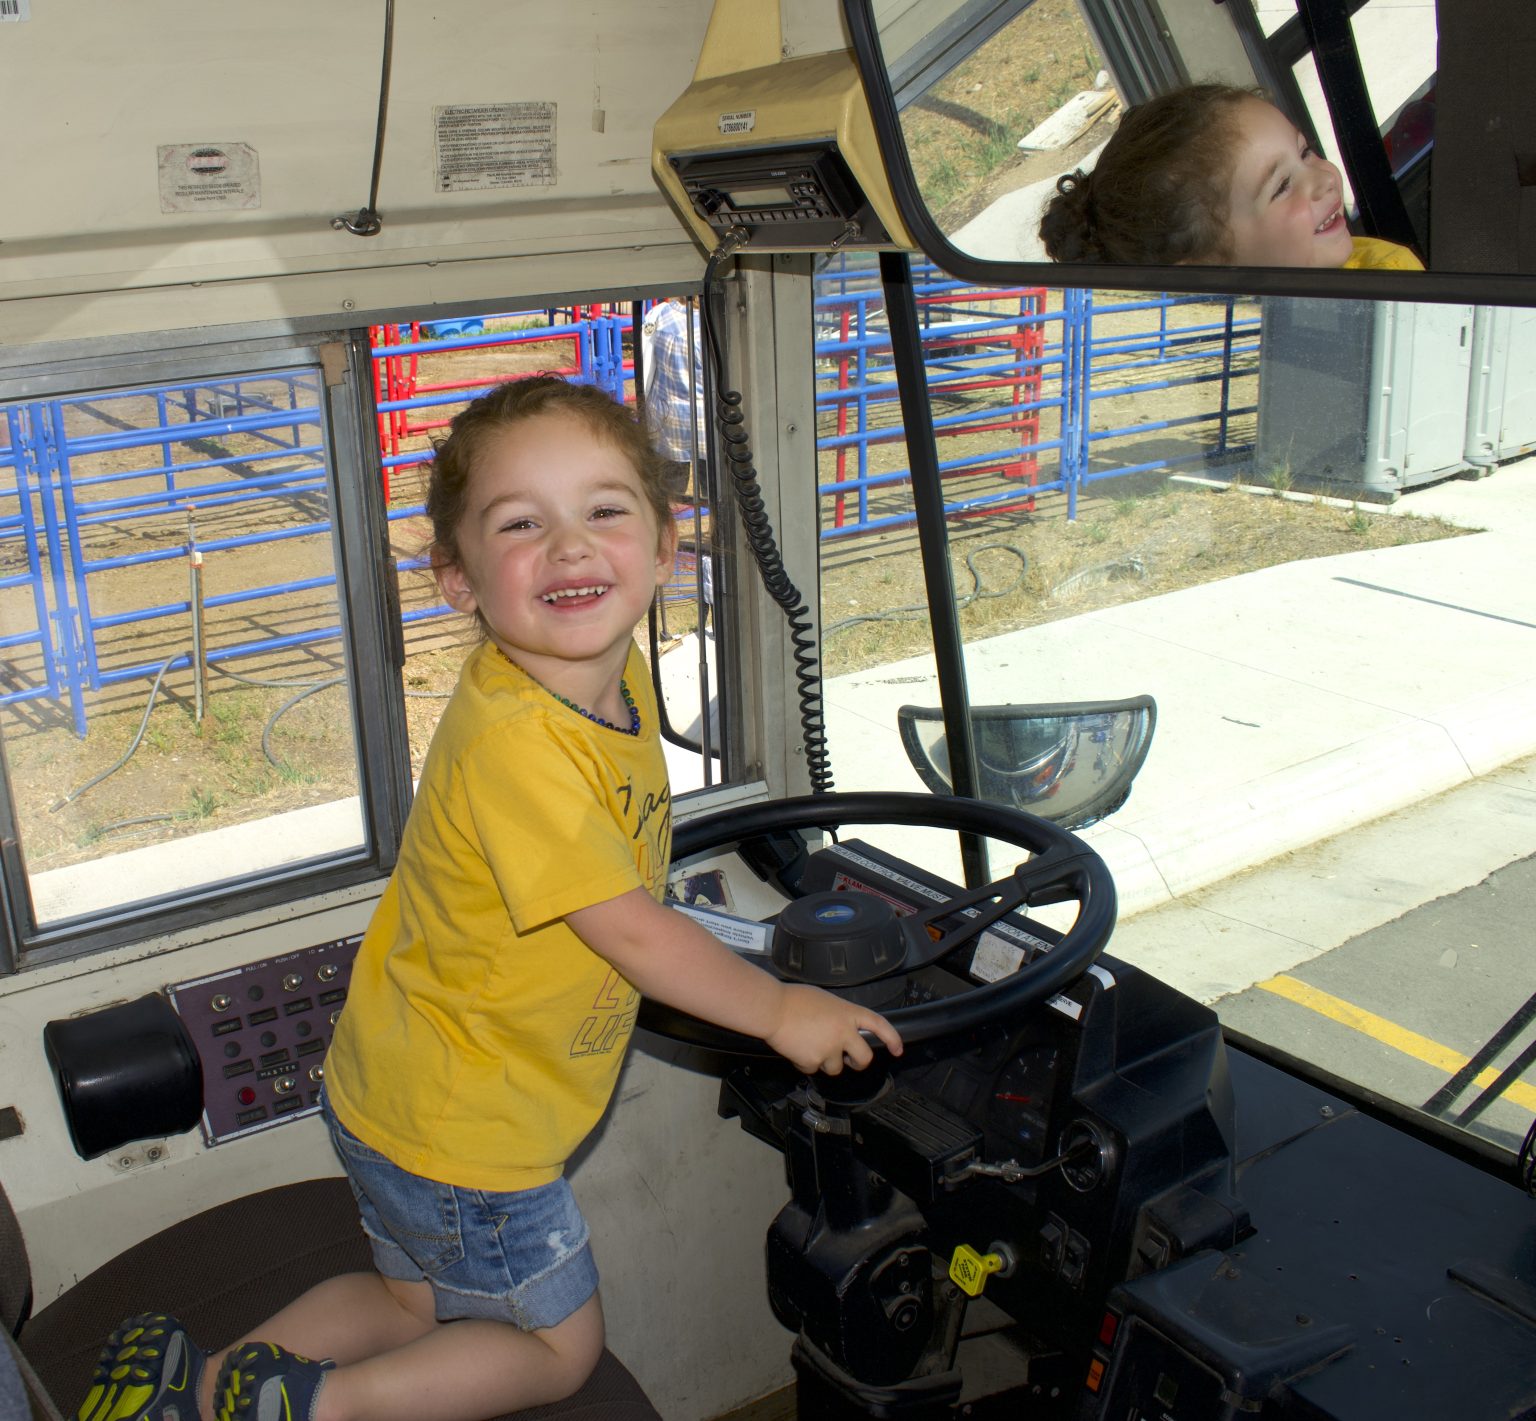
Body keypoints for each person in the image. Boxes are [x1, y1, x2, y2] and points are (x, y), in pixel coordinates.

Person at [76, 376, 902, 1421]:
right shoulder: (519, 744)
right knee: (554, 1346)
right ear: (458, 577)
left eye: (605, 509)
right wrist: (781, 1009)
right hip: (466, 1133)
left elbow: (619, 863)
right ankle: (310, 1409)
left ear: (664, 549)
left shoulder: (602, 680)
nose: (569, 545)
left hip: (402, 1095)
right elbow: (633, 931)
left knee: (408, 1298)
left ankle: (186, 1392)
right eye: (522, 523)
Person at [1038, 83, 1424, 271]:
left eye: (1305, 151)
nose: (1325, 178)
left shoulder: (1389, 272)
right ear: (1206, 274)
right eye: (1283, 187)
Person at [640, 297, 706, 503]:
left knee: (669, 493)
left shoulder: (659, 315)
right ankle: (719, 530)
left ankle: (669, 530)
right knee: (715, 488)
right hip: (706, 420)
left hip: (667, 418)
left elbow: (646, 363)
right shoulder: (712, 322)